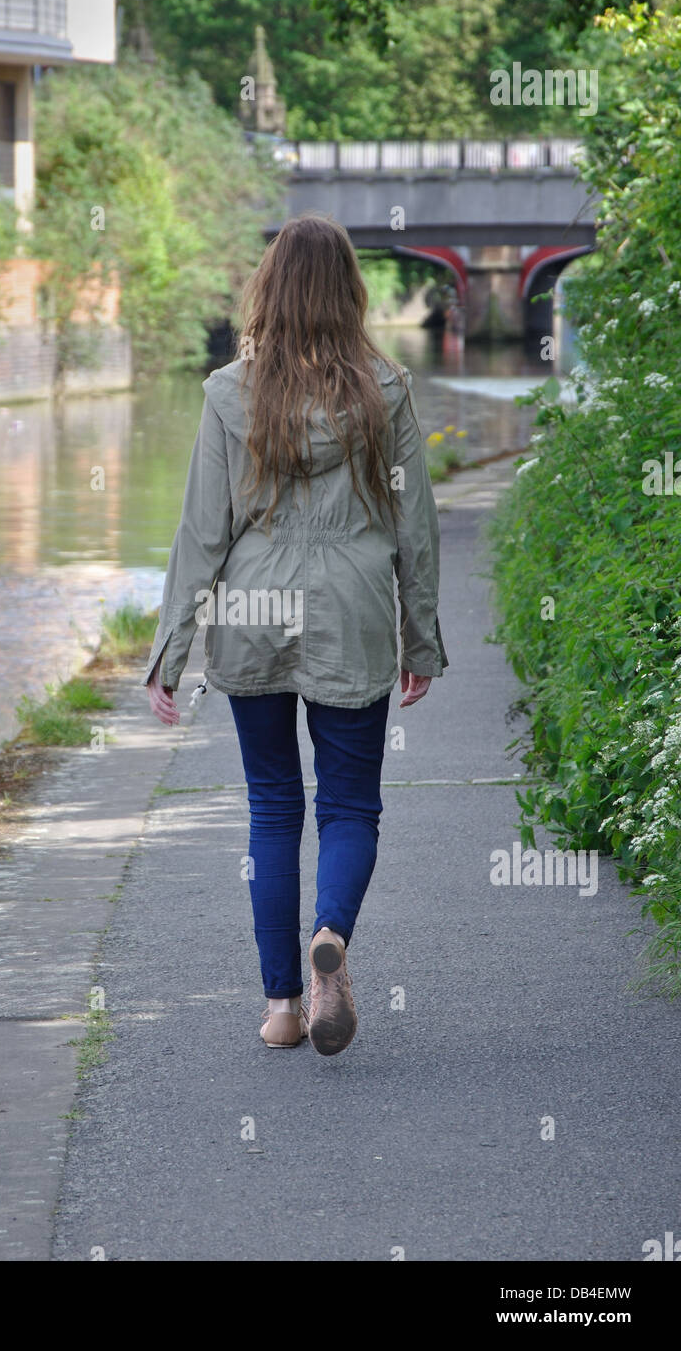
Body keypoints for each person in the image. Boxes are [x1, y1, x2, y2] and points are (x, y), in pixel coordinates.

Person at [142, 213, 448, 1057]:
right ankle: (333, 942)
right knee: (349, 804)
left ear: (268, 289)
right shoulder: (385, 391)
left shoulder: (228, 392)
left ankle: (281, 1006)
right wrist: (419, 637)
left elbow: (203, 531)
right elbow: (414, 525)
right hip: (352, 606)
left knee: (273, 807)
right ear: (349, 292)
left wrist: (171, 649)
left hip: (251, 610)